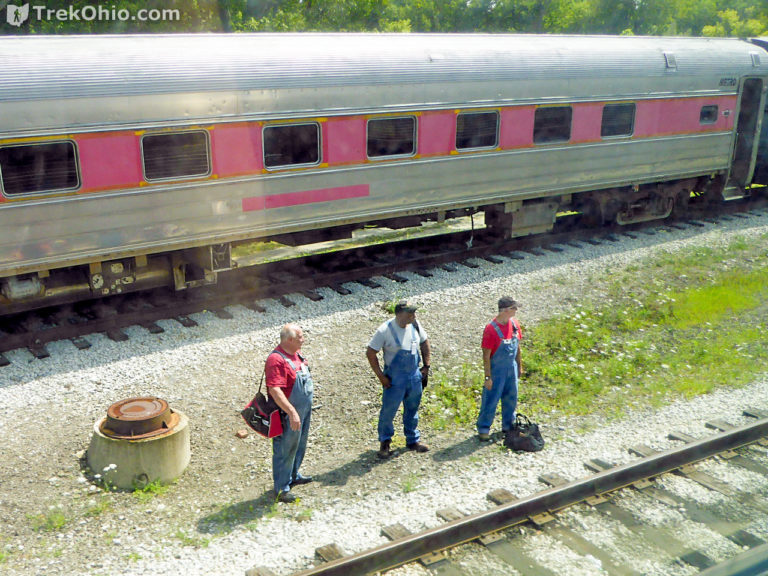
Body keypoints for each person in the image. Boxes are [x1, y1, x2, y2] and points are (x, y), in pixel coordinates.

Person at [366, 300, 431, 459]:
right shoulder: (385, 330)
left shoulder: (415, 325)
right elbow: (370, 352)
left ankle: (413, 440)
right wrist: (381, 376)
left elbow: (424, 342)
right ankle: (385, 443)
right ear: (399, 314)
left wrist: (426, 366)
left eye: (414, 312)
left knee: (412, 408)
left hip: (414, 376)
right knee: (388, 411)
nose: (413, 315)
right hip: (394, 379)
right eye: (410, 312)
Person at [265, 323, 314, 503]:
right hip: (288, 414)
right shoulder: (276, 360)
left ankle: (294, 475)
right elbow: (274, 390)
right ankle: (281, 489)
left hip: (303, 410)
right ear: (290, 339)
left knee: (299, 444)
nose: (304, 339)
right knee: (285, 449)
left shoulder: (297, 354)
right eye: (301, 337)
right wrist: (292, 412)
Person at [477, 297, 523, 441]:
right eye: (514, 308)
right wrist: (487, 377)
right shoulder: (491, 329)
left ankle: (508, 426)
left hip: (511, 369)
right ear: (505, 310)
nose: (516, 311)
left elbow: (518, 347)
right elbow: (486, 355)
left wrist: (519, 366)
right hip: (496, 372)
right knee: (490, 399)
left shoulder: (515, 324)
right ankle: (484, 428)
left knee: (511, 398)